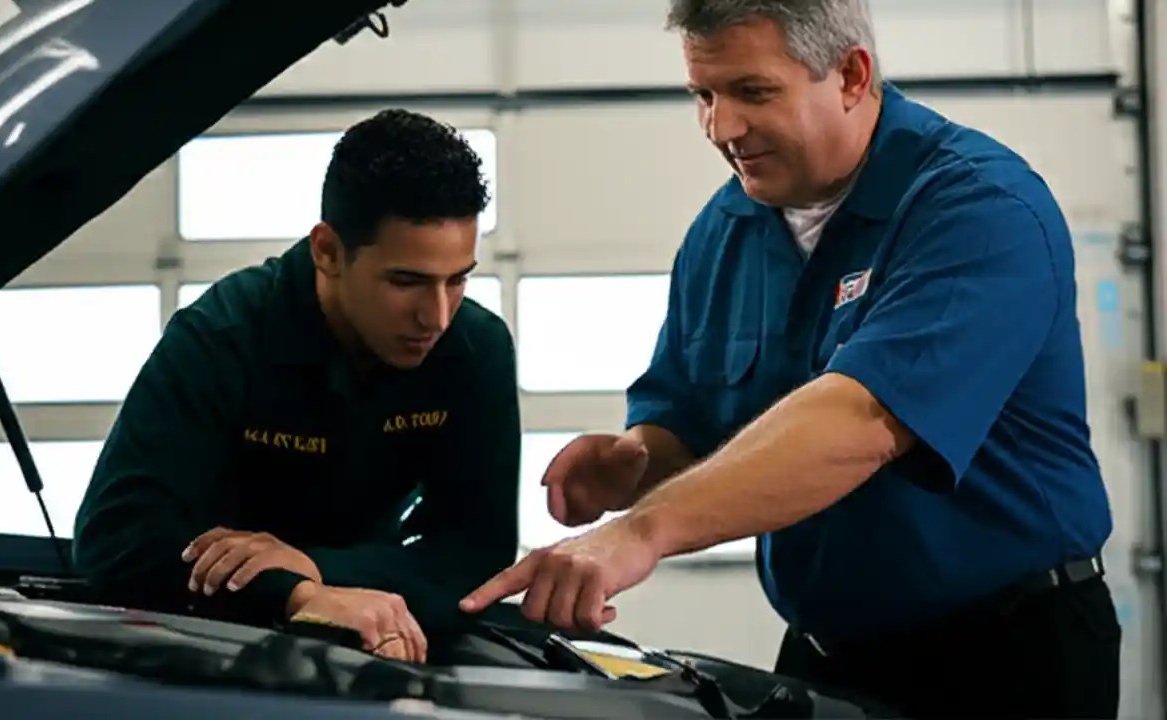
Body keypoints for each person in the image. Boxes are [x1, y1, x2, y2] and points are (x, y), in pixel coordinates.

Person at [459, 1, 1121, 716]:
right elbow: (693, 421)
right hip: (826, 653)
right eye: (704, 95)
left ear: (850, 75)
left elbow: (858, 422)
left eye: (752, 92)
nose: (720, 127)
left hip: (1005, 657)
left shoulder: (979, 209)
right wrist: (637, 462)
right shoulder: (723, 233)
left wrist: (639, 533)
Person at [73, 108, 521, 664]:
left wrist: (316, 570)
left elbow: (477, 550)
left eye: (457, 280)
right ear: (328, 252)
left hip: (376, 642)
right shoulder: (221, 336)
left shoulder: (476, 348)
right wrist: (297, 594)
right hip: (201, 643)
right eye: (406, 281)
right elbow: (116, 540)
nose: (436, 317)